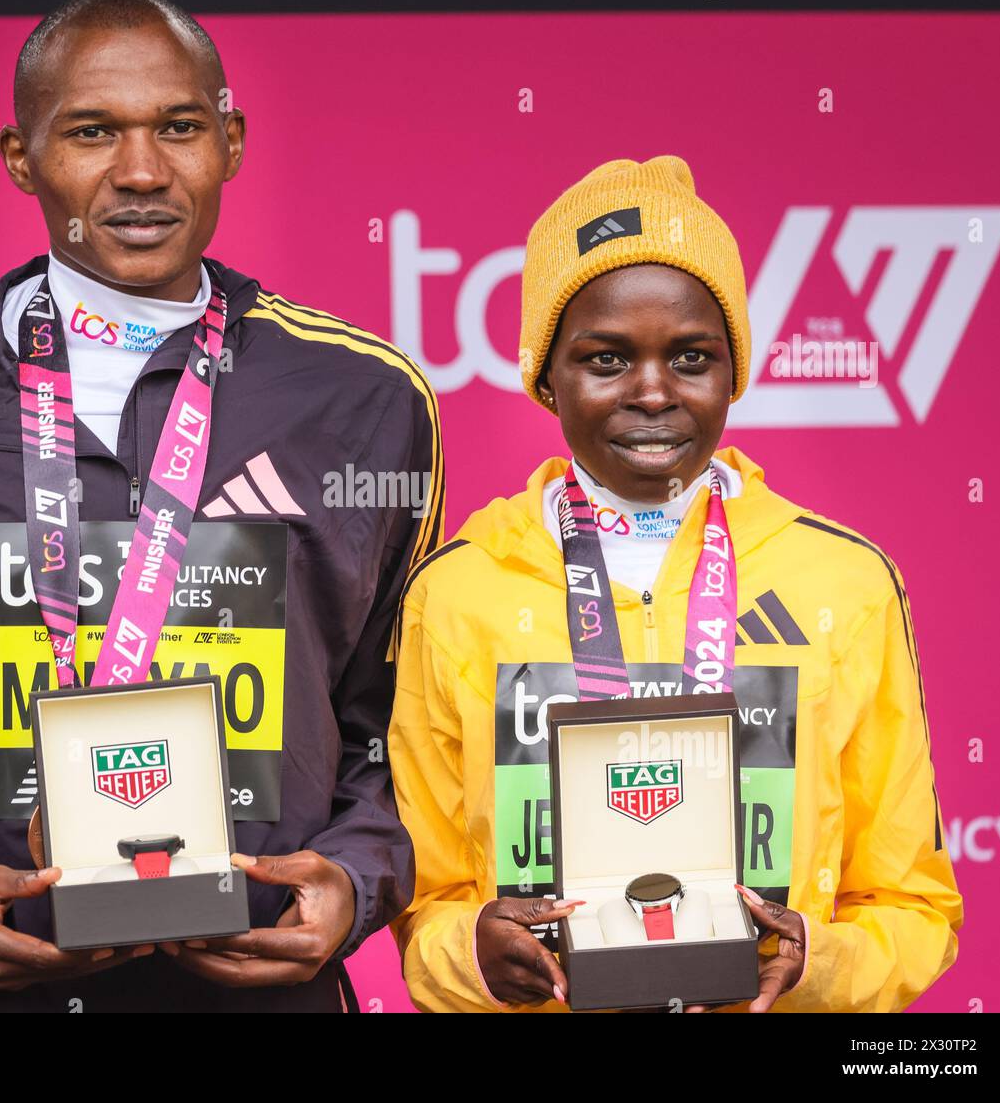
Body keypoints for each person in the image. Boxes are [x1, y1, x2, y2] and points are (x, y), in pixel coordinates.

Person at [0, 0, 442, 1012]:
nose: (141, 171)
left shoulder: (367, 401)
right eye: (90, 131)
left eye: (179, 126)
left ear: (232, 142)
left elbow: (408, 728)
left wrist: (351, 876)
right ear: (21, 157)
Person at [388, 155, 961, 1013]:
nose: (653, 392)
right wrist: (472, 954)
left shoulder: (846, 580)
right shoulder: (457, 590)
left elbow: (915, 906)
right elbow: (424, 904)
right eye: (607, 359)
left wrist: (820, 963)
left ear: (735, 372)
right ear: (546, 377)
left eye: (692, 357)